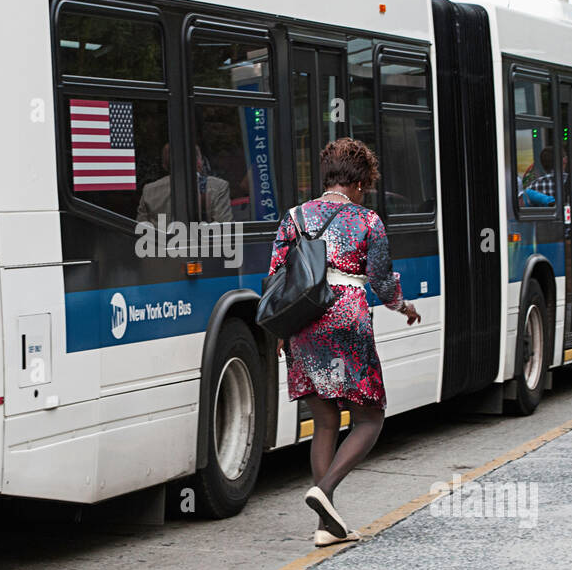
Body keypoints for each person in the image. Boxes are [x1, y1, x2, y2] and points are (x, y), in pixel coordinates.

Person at [268, 138, 420, 548]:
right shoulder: (367, 220)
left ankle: (327, 525)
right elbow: (382, 280)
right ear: (357, 181)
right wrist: (402, 306)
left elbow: (277, 278)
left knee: (324, 422)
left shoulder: (294, 217)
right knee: (370, 418)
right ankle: (326, 489)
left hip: (302, 323)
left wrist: (282, 332)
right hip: (346, 317)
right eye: (365, 183)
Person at [137, 143, 231, 224]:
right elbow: (225, 230)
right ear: (199, 162)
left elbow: (140, 231)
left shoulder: (149, 191)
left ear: (164, 166)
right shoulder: (218, 186)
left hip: (163, 245)